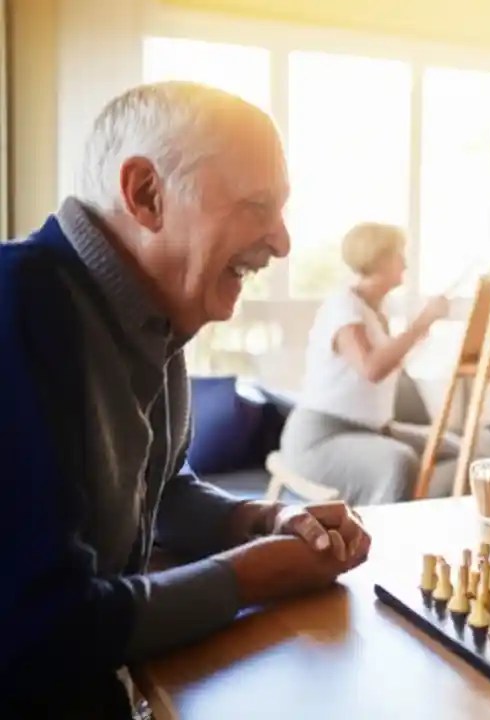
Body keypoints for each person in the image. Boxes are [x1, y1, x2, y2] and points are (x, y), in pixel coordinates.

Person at [0, 82, 372, 718]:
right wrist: (257, 573)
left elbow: (162, 490)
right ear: (146, 195)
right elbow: (41, 631)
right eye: (258, 205)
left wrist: (263, 521)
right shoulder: (20, 304)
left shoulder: (155, 313)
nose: (282, 244)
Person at [280, 221, 457, 504]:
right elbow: (371, 368)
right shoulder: (343, 306)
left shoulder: (378, 311)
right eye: (399, 254)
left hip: (374, 430)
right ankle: (381, 540)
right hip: (321, 439)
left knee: (455, 450)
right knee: (399, 462)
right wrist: (422, 322)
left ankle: (422, 517)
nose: (405, 262)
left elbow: (390, 364)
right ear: (380, 259)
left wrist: (420, 332)